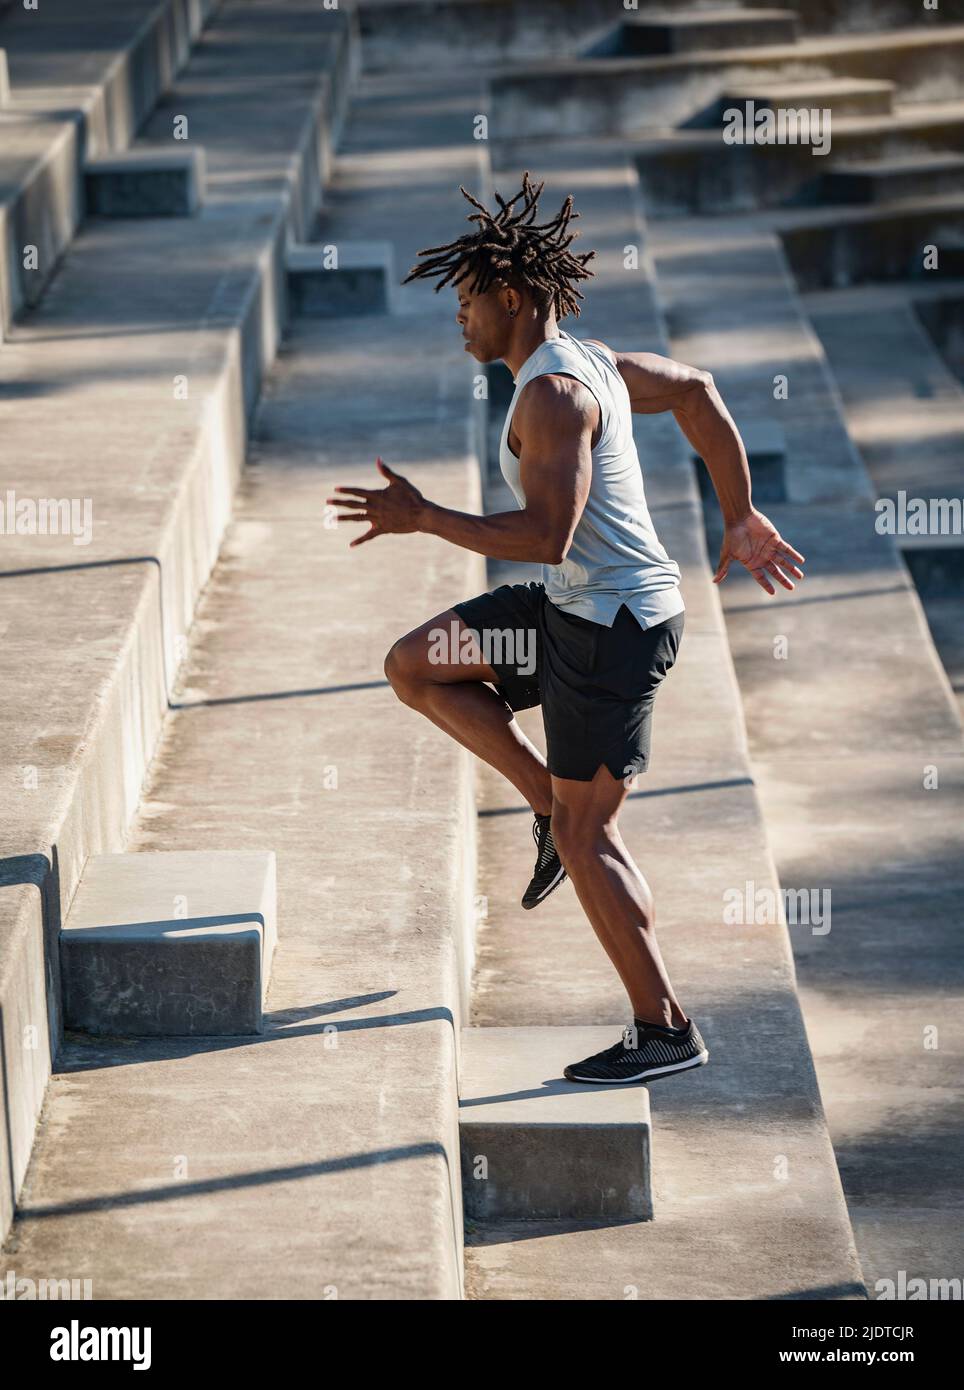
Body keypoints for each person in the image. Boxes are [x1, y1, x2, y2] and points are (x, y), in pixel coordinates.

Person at [326, 172, 804, 1084]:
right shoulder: (595, 363)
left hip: (610, 633)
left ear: (510, 298)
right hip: (568, 615)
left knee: (593, 841)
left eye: (466, 302)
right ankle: (546, 801)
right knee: (417, 666)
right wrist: (738, 515)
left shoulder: (555, 398)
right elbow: (698, 391)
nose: (458, 319)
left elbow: (545, 537)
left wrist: (426, 516)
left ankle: (664, 1028)